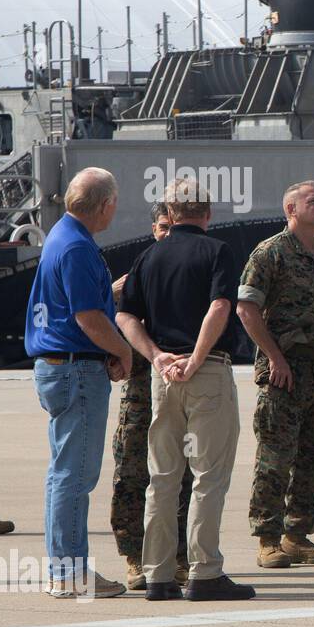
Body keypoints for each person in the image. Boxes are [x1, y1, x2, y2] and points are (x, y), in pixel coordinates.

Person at [117, 178, 253, 602]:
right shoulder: (218, 252)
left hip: (163, 378)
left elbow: (126, 317)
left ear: (170, 215)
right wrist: (195, 358)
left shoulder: (147, 257)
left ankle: (157, 575)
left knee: (162, 477)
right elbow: (220, 306)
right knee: (208, 476)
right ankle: (204, 571)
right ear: (207, 214)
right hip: (205, 372)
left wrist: (157, 357)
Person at [24, 167, 131, 598]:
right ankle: (70, 573)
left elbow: (76, 304)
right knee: (75, 476)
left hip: (57, 367)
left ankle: (64, 568)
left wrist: (110, 288)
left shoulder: (61, 237)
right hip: (76, 371)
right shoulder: (78, 249)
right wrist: (123, 350)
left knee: (62, 474)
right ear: (105, 205)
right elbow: (87, 319)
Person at [236, 180, 314, 568]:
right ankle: (268, 538)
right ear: (291, 210)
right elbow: (246, 310)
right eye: (312, 201)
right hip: (286, 371)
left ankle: (297, 534)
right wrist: (275, 359)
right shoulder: (270, 254)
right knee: (275, 457)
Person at [108, 199, 193, 590]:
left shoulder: (189, 272)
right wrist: (112, 295)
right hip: (141, 392)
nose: (166, 232)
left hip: (182, 389)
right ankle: (134, 556)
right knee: (131, 472)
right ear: (153, 229)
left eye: (172, 225)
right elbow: (100, 321)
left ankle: (177, 555)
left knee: (183, 474)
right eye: (161, 226)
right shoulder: (135, 275)